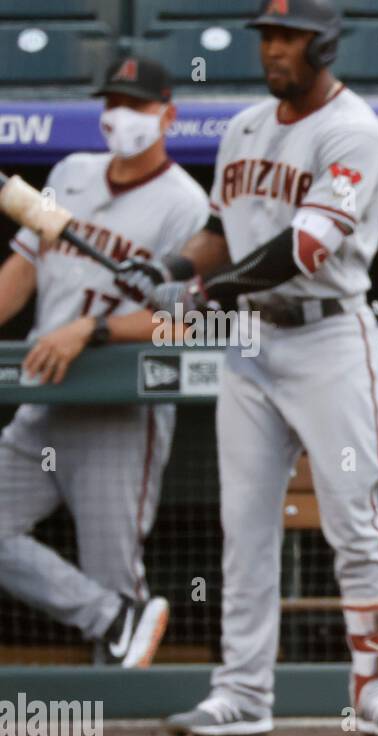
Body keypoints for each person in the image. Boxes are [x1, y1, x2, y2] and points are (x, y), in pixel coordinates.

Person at [117, 0, 378, 736]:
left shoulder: (353, 129)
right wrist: (170, 265)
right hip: (249, 344)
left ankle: (377, 686)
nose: (273, 50)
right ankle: (243, 691)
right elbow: (222, 229)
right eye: (267, 37)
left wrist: (202, 292)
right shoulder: (244, 127)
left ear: (323, 44)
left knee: (353, 517)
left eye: (289, 38)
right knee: (243, 526)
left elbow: (308, 244)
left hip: (328, 338)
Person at [0, 56, 208, 667]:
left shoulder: (186, 206)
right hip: (47, 397)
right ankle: (109, 617)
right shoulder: (71, 172)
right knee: (119, 618)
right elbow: (24, 269)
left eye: (137, 104)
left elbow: (185, 321)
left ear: (167, 114)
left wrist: (91, 330)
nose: (121, 116)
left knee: (114, 576)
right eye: (112, 102)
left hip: (119, 406)